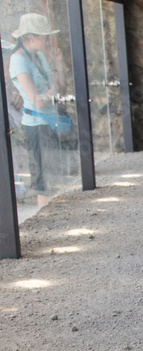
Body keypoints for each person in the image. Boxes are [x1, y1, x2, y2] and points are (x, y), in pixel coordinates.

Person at [8, 13, 65, 208]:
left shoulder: (39, 56)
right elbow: (38, 101)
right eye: (45, 36)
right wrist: (54, 91)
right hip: (36, 125)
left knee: (54, 175)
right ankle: (45, 216)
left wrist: (59, 63)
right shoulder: (18, 60)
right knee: (43, 179)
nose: (48, 40)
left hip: (50, 121)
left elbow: (61, 86)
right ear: (31, 37)